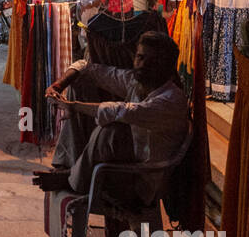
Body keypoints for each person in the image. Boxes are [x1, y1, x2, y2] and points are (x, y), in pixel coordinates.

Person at [32, 31, 188, 222]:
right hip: (123, 167)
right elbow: (87, 68)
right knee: (79, 83)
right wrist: (58, 85)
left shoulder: (171, 100)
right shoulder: (137, 82)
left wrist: (72, 107)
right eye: (140, 57)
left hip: (143, 181)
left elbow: (120, 111)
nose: (143, 65)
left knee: (111, 130)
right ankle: (69, 169)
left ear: (166, 67)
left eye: (152, 61)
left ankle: (71, 177)